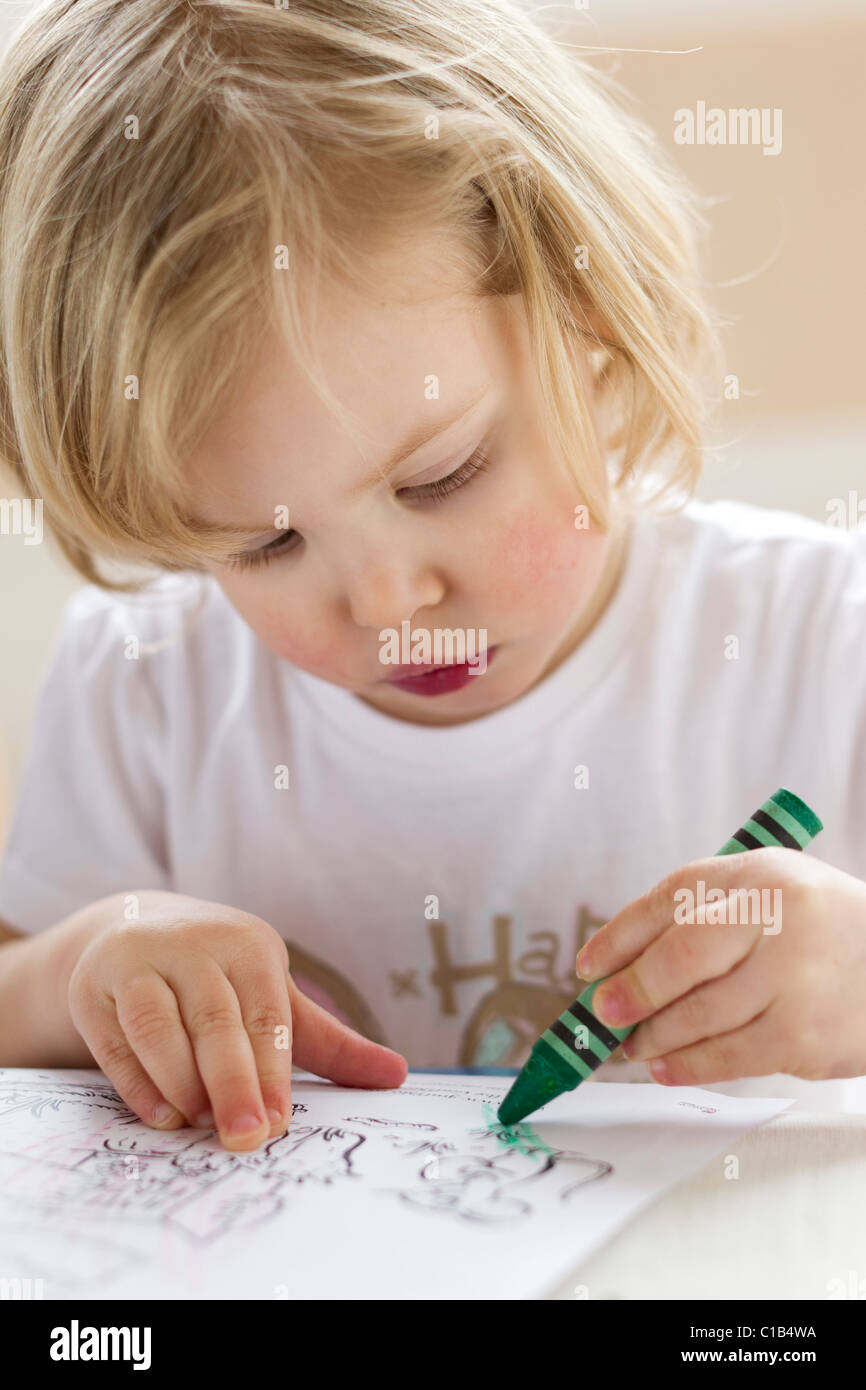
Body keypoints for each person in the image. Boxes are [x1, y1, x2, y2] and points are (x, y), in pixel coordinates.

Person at [0, 0, 864, 1154]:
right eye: (262, 546)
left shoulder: (816, 633)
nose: (384, 604)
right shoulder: (144, 688)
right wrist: (77, 971)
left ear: (591, 318)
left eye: (441, 477)